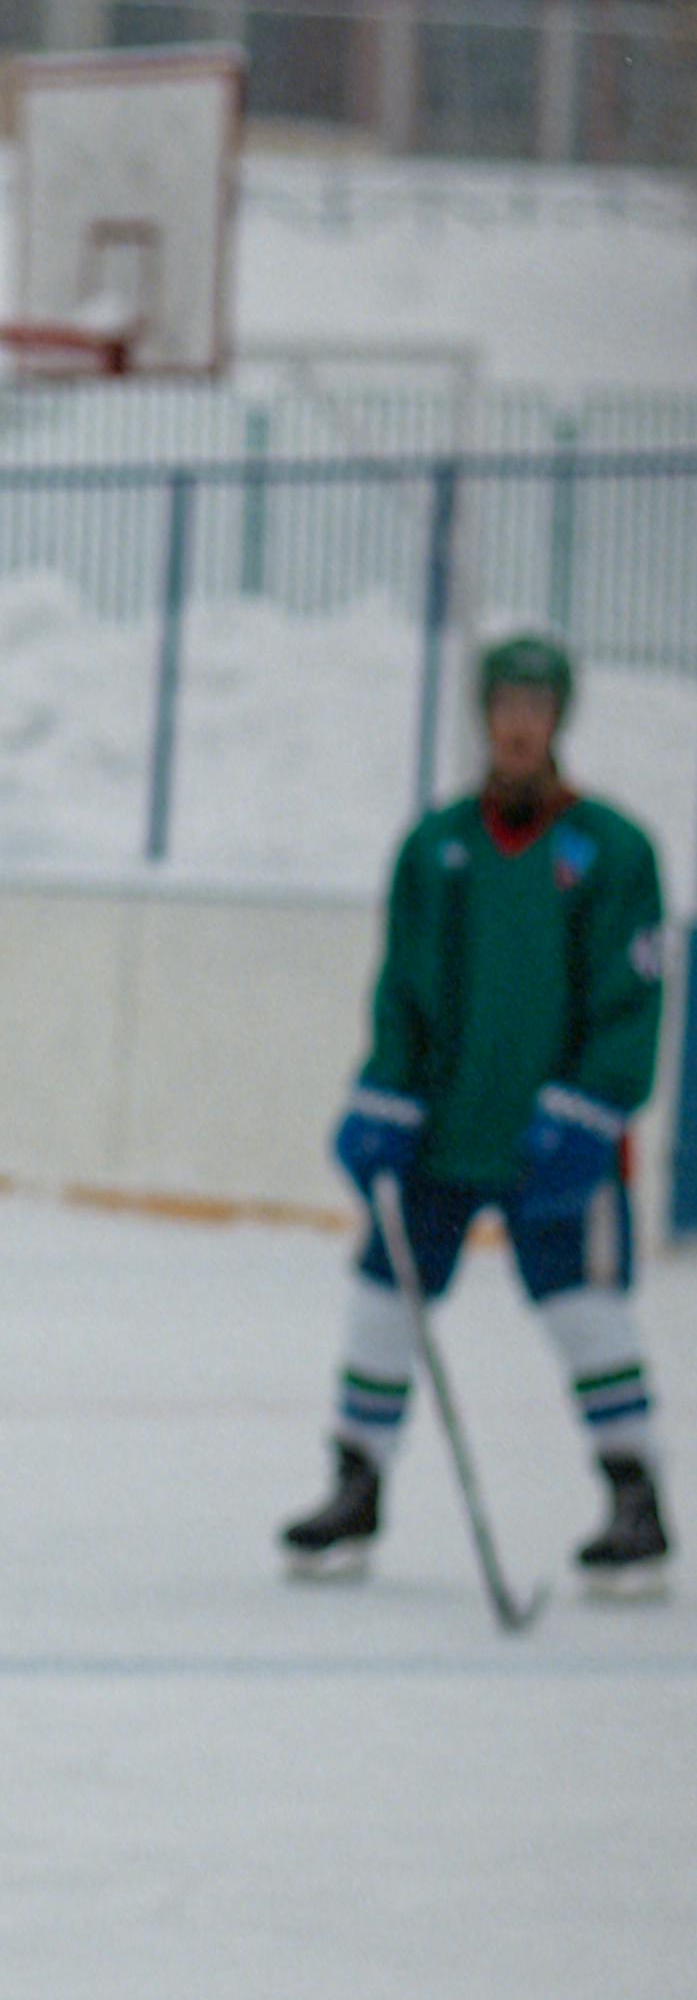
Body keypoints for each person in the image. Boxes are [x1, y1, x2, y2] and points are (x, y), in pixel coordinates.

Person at [282, 632, 672, 1591]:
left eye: (536, 708)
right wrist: (383, 1095)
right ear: (483, 715)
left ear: (557, 720)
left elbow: (633, 1002)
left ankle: (634, 1498)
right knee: (382, 1299)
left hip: (556, 1143)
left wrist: (589, 1110)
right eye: (505, 705)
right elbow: (403, 992)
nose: (518, 724)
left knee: (587, 1313)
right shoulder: (435, 846)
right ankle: (356, 1481)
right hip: (440, 1138)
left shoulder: (613, 853)